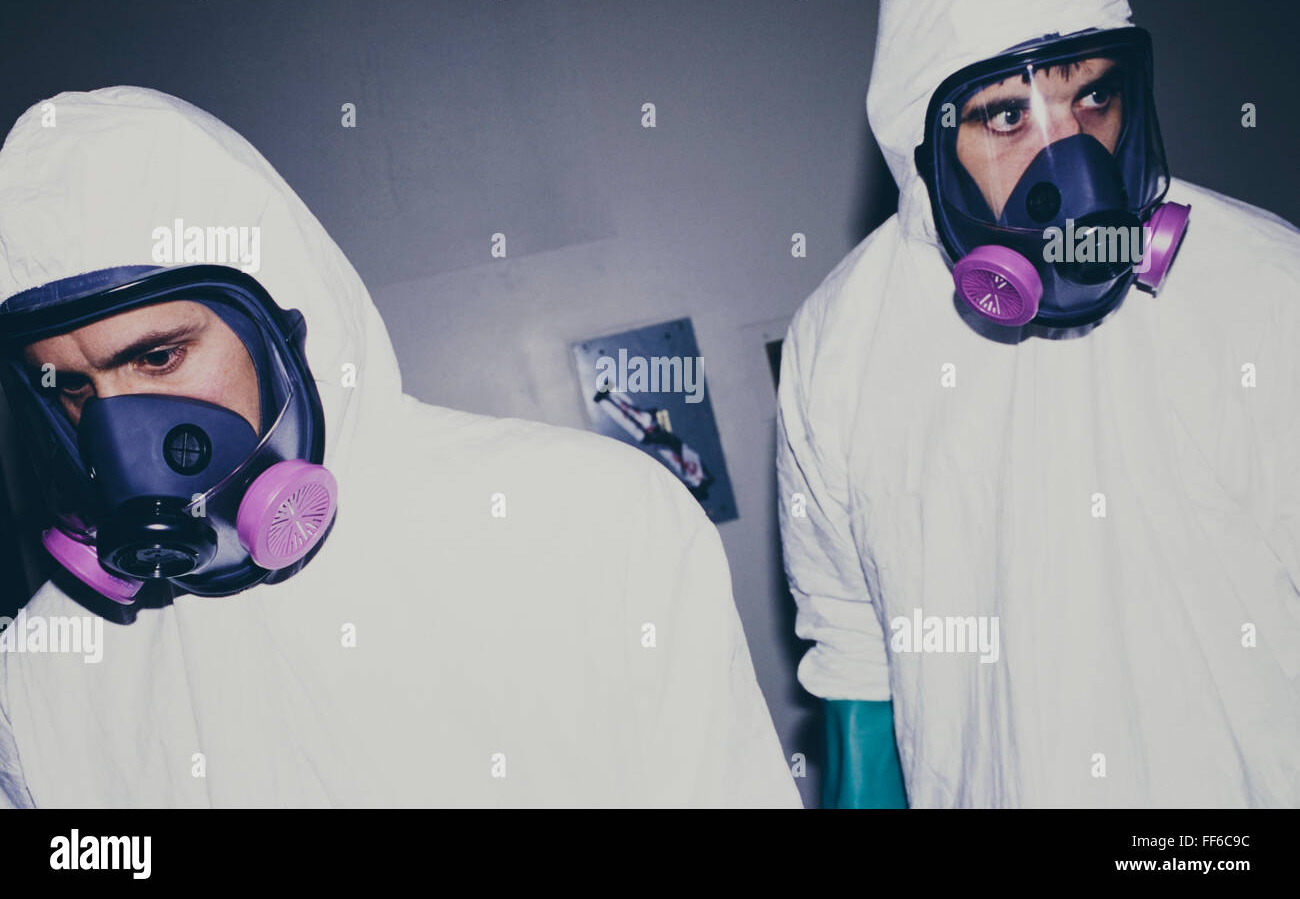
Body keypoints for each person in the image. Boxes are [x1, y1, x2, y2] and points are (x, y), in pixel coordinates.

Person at [0, 85, 801, 808]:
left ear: (281, 320)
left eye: (159, 356)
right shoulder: (42, 676)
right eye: (72, 389)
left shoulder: (595, 526)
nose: (119, 432)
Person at [778, 0, 1300, 808]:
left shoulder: (1267, 287)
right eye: (1005, 115)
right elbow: (858, 675)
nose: (1072, 160)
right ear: (923, 137)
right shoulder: (836, 348)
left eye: (1092, 94)